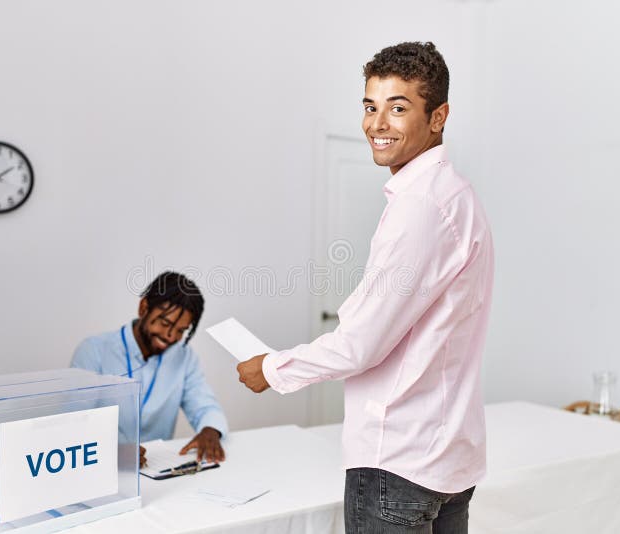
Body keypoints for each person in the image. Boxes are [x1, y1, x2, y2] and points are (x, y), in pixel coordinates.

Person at [237, 42, 494, 533]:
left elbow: (361, 345)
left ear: (438, 116)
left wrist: (272, 369)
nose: (377, 124)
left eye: (398, 108)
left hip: (398, 461)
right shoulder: (458, 196)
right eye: (370, 107)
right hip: (448, 460)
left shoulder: (419, 207)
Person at [72, 271, 227, 468]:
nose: (170, 337)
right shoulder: (93, 351)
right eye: (165, 323)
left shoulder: (184, 356)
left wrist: (210, 430)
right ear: (144, 308)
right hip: (99, 466)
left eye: (180, 330)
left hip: (155, 470)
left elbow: (205, 406)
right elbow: (75, 422)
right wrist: (108, 450)